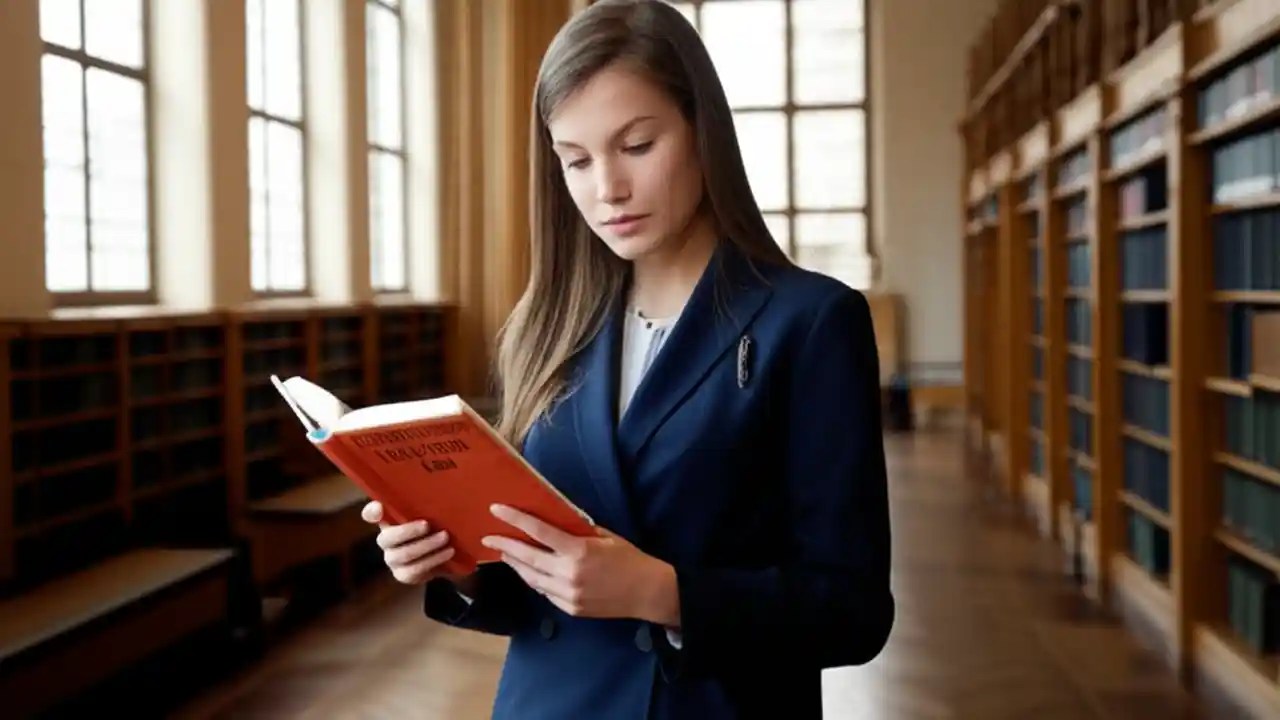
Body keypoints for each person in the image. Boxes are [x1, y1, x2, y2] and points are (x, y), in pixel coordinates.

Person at [360, 0, 893, 717]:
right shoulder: (542, 325)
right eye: (575, 161)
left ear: (702, 130)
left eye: (636, 146)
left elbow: (853, 609)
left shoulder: (812, 321)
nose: (606, 188)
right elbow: (533, 577)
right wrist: (457, 566)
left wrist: (659, 592)